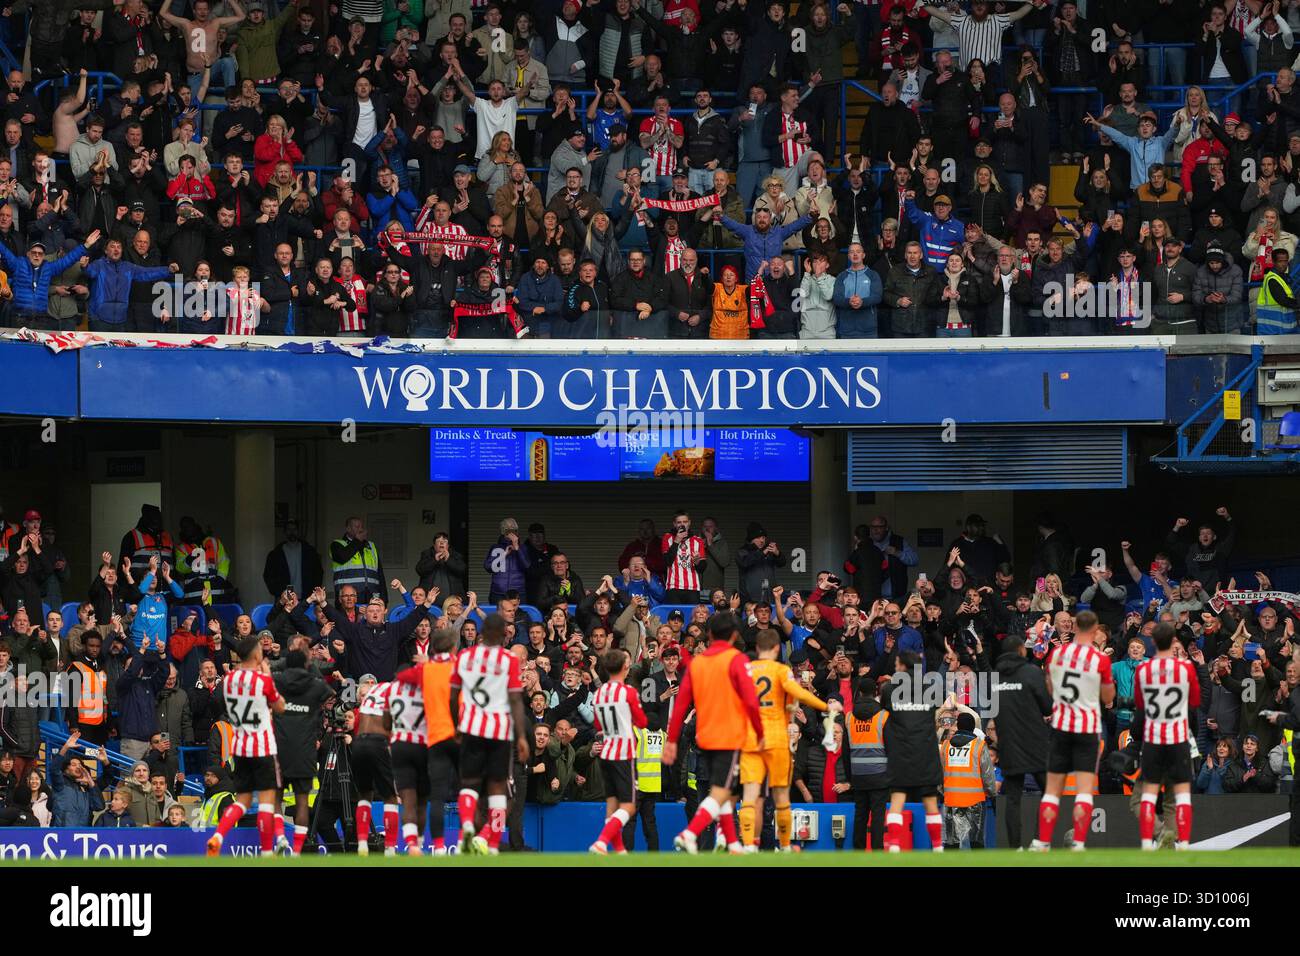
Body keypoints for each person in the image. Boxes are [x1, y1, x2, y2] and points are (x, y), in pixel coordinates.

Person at [664, 613, 764, 854]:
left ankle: (731, 843)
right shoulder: (737, 660)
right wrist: (760, 733)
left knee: (723, 788)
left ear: (708, 635)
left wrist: (672, 740)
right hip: (729, 737)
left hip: (703, 737)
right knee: (721, 791)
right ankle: (690, 833)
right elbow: (752, 702)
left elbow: (680, 706)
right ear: (734, 635)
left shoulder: (697, 663)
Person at [740, 629, 837, 852]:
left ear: (756, 648)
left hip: (752, 739)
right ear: (777, 649)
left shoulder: (745, 671)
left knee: (750, 797)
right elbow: (800, 694)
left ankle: (748, 847)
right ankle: (784, 847)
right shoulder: (782, 670)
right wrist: (825, 706)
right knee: (781, 796)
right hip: (776, 738)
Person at [1031, 611, 1115, 851]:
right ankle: (1078, 841)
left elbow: (1049, 686)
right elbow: (1108, 697)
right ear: (1096, 627)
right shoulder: (1100, 659)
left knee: (1052, 789)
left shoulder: (1058, 653)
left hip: (1061, 726)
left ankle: (1042, 841)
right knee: (1084, 790)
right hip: (1087, 728)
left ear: (1075, 626)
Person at [450, 613, 529, 855]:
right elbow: (515, 699)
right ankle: (491, 844)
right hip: (498, 733)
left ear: (483, 633)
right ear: (503, 634)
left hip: (471, 729)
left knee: (469, 786)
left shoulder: (464, 656)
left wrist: (456, 726)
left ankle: (467, 833)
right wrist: (522, 736)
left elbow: (453, 695)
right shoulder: (508, 660)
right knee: (497, 789)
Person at [1133, 623, 1200, 851]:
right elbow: (1194, 702)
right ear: (1172, 640)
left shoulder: (1143, 670)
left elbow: (1140, 706)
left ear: (1152, 642)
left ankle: (1146, 845)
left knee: (1149, 797)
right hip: (1178, 740)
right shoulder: (1186, 669)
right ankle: (1184, 846)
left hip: (1153, 741)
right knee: (1182, 797)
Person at [391, 626, 458, 853]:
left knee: (410, 797)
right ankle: (477, 837)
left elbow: (401, 676)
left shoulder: (405, 684)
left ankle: (415, 845)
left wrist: (425, 664)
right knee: (432, 797)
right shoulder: (452, 669)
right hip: (433, 741)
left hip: (404, 743)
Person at [587, 649, 648, 854]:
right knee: (629, 807)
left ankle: (620, 851)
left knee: (611, 806)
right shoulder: (629, 692)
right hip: (624, 753)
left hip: (606, 753)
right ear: (625, 667)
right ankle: (601, 842)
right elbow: (642, 721)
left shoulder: (599, 693)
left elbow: (597, 724)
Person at [940, 711, 996, 849]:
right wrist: (992, 793)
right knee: (976, 843)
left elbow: (940, 773)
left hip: (951, 800)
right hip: (975, 801)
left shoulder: (946, 746)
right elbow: (987, 774)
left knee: (951, 843)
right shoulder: (979, 745)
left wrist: (943, 791)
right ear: (973, 728)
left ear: (958, 726)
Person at [262, 520, 323, 600]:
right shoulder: (276, 554)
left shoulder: (309, 552)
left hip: (307, 597)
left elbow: (318, 572)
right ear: (285, 532)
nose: (292, 532)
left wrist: (313, 591)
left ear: (298, 531)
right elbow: (268, 575)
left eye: (294, 529)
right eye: (289, 529)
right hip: (284, 599)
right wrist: (278, 592)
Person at [330, 516, 384, 603]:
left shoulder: (370, 546)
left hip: (371, 594)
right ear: (348, 528)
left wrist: (384, 597)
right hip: (347, 595)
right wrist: (357, 540)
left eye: (361, 526)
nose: (360, 529)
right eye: (356, 526)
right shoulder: (337, 544)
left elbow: (380, 574)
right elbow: (342, 557)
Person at [660, 510, 708, 604]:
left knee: (693, 617)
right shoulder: (667, 538)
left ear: (689, 523)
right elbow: (667, 562)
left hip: (692, 588)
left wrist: (697, 562)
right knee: (675, 617)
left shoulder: (698, 541)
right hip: (673, 587)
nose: (682, 525)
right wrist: (677, 541)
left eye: (685, 522)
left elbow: (702, 569)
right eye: (679, 522)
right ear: (674, 524)